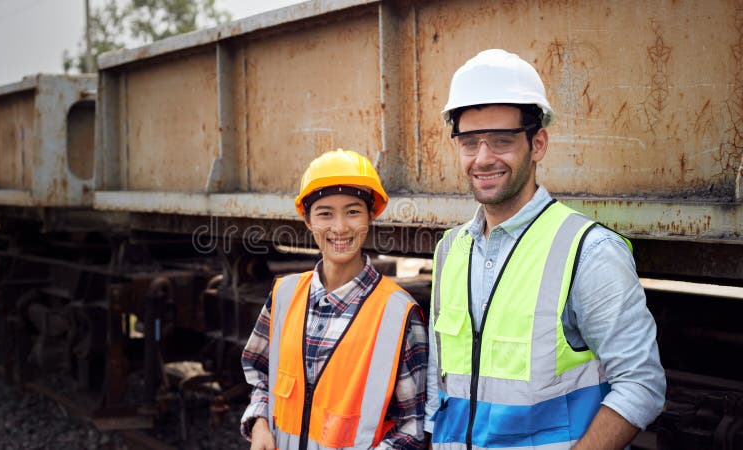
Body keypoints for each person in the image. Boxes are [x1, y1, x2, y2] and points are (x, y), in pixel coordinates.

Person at [424, 49, 666, 450]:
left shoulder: (588, 251)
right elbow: (441, 385)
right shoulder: (450, 249)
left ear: (538, 143)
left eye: (501, 140)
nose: (483, 158)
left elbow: (641, 384)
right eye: (469, 142)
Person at [241, 149, 428, 450]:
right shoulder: (283, 296)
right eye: (325, 213)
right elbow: (261, 379)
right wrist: (259, 423)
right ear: (307, 221)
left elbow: (413, 428)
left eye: (353, 211)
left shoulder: (399, 314)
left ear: (370, 217)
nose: (340, 227)